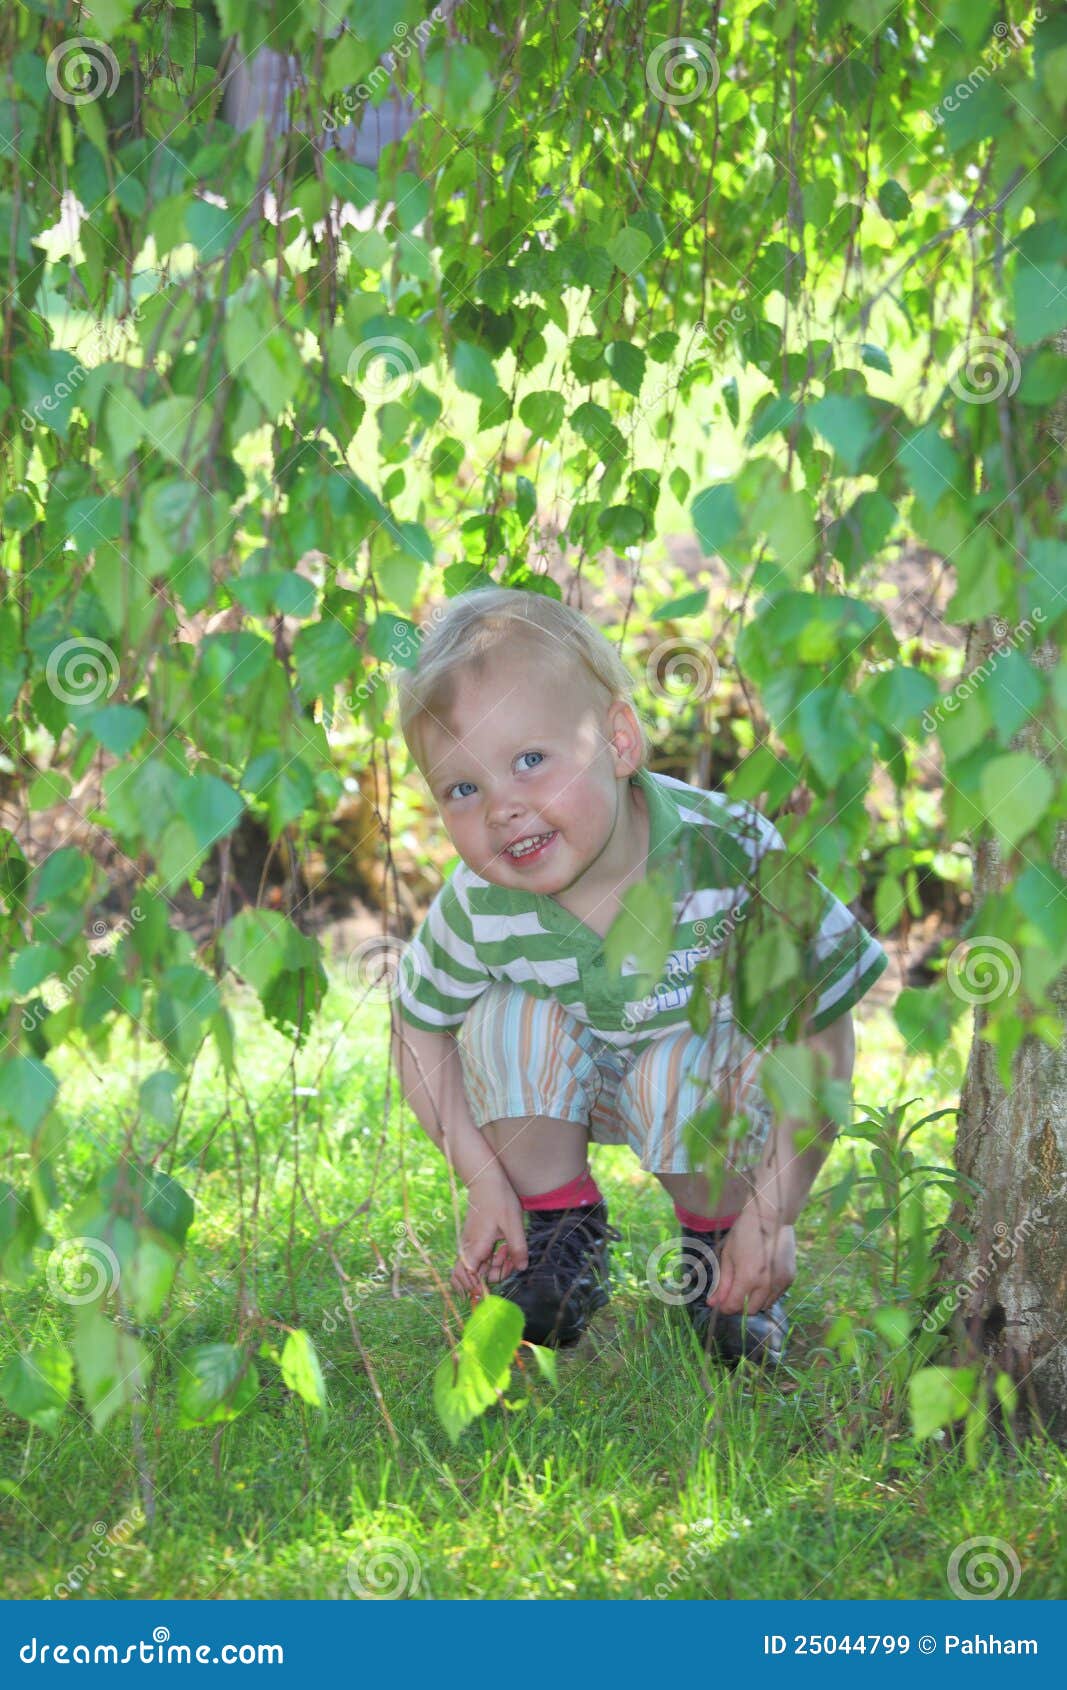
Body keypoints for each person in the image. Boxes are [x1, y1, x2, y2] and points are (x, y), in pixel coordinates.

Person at [389, 587, 888, 1364]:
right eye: (463, 788)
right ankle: (558, 1232)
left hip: (700, 1088)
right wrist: (482, 1179)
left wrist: (775, 1211)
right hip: (572, 1083)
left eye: (529, 761)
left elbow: (820, 1022)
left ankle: (721, 1255)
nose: (502, 809)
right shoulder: (480, 904)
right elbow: (417, 1025)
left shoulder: (728, 854)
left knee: (682, 1069)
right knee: (498, 1019)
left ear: (619, 741)